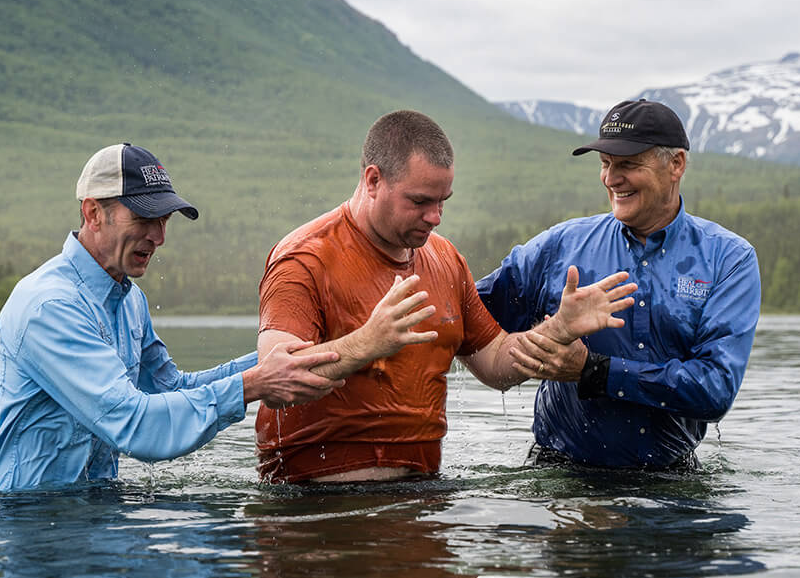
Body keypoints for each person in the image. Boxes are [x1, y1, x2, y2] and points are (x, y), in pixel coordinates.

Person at [254, 110, 639, 484]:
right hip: (315, 503)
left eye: (443, 201)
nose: (436, 217)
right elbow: (274, 381)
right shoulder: (304, 259)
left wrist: (558, 329)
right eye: (420, 201)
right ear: (373, 180)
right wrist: (367, 343)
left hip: (423, 497)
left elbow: (496, 363)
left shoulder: (445, 259)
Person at [0, 143, 342, 492]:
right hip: (25, 516)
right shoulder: (49, 307)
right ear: (93, 213)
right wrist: (254, 384)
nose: (159, 238)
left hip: (93, 510)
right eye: (144, 218)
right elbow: (135, 425)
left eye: (164, 220)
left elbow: (170, 390)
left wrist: (284, 357)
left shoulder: (130, 301)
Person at [477, 99, 761, 470]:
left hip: (672, 485)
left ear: (676, 164)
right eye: (605, 163)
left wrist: (594, 371)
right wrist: (551, 332)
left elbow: (715, 390)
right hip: (558, 476)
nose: (611, 178)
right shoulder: (560, 247)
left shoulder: (728, 259)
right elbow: (467, 313)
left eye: (627, 164)